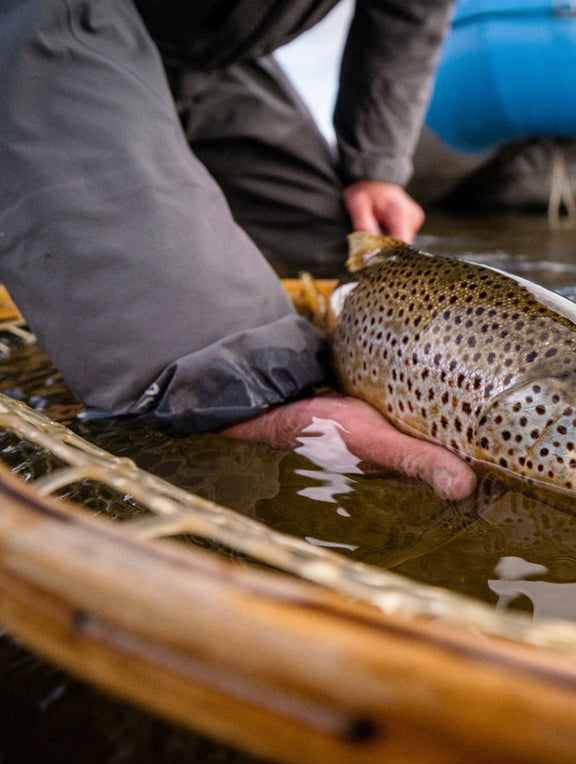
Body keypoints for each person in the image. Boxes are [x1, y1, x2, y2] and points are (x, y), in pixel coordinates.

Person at [0, 0, 476, 500]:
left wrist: (375, 164)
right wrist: (232, 385)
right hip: (49, 25)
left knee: (335, 251)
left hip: (211, 56)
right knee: (215, 364)